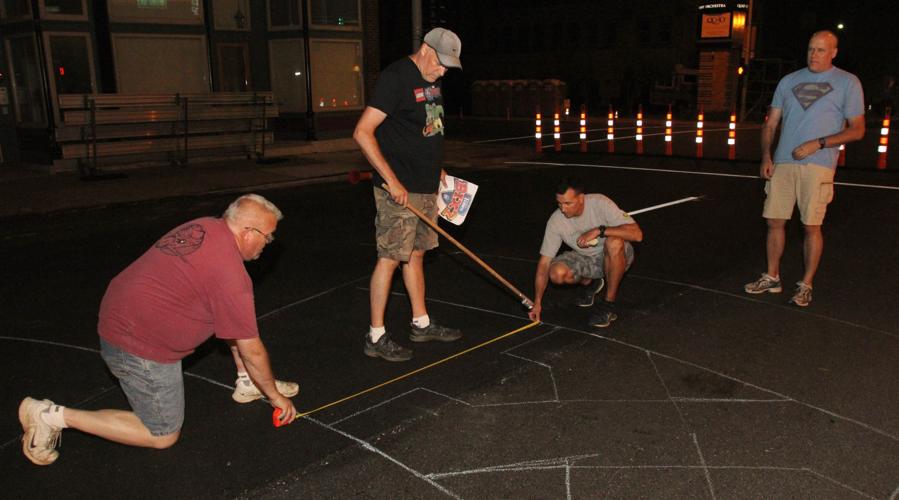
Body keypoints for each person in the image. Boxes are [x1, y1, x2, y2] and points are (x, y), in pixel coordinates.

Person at [18, 194, 298, 466]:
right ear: (248, 232)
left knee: (230, 316)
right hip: (137, 344)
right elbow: (251, 348)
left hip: (123, 310)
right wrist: (275, 397)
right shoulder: (230, 276)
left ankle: (248, 382)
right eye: (268, 236)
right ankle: (50, 415)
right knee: (162, 434)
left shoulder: (204, 226)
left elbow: (232, 324)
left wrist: (260, 379)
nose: (269, 243)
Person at [352, 28, 464, 362]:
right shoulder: (396, 77)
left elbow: (427, 128)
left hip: (426, 185)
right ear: (426, 49)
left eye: (448, 67)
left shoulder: (433, 79)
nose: (443, 71)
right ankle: (375, 335)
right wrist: (392, 181)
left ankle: (421, 323)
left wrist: (437, 169)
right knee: (389, 257)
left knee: (415, 255)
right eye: (441, 63)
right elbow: (362, 132)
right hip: (397, 190)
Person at [744, 30, 865, 307]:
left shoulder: (847, 82)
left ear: (834, 52)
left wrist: (819, 143)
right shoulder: (789, 81)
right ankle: (772, 277)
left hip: (818, 164)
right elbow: (771, 123)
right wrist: (766, 155)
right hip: (783, 162)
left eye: (821, 50)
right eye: (811, 49)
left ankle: (806, 284)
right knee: (774, 221)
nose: (814, 55)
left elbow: (857, 130)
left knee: (811, 225)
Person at [528, 177, 643, 328]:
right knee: (557, 273)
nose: (563, 209)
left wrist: (599, 230)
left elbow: (637, 234)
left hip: (616, 255)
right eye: (559, 203)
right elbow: (544, 263)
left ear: (581, 198)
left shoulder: (600, 203)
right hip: (586, 258)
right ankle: (591, 282)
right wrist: (537, 302)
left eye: (568, 203)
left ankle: (608, 305)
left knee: (613, 242)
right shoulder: (556, 221)